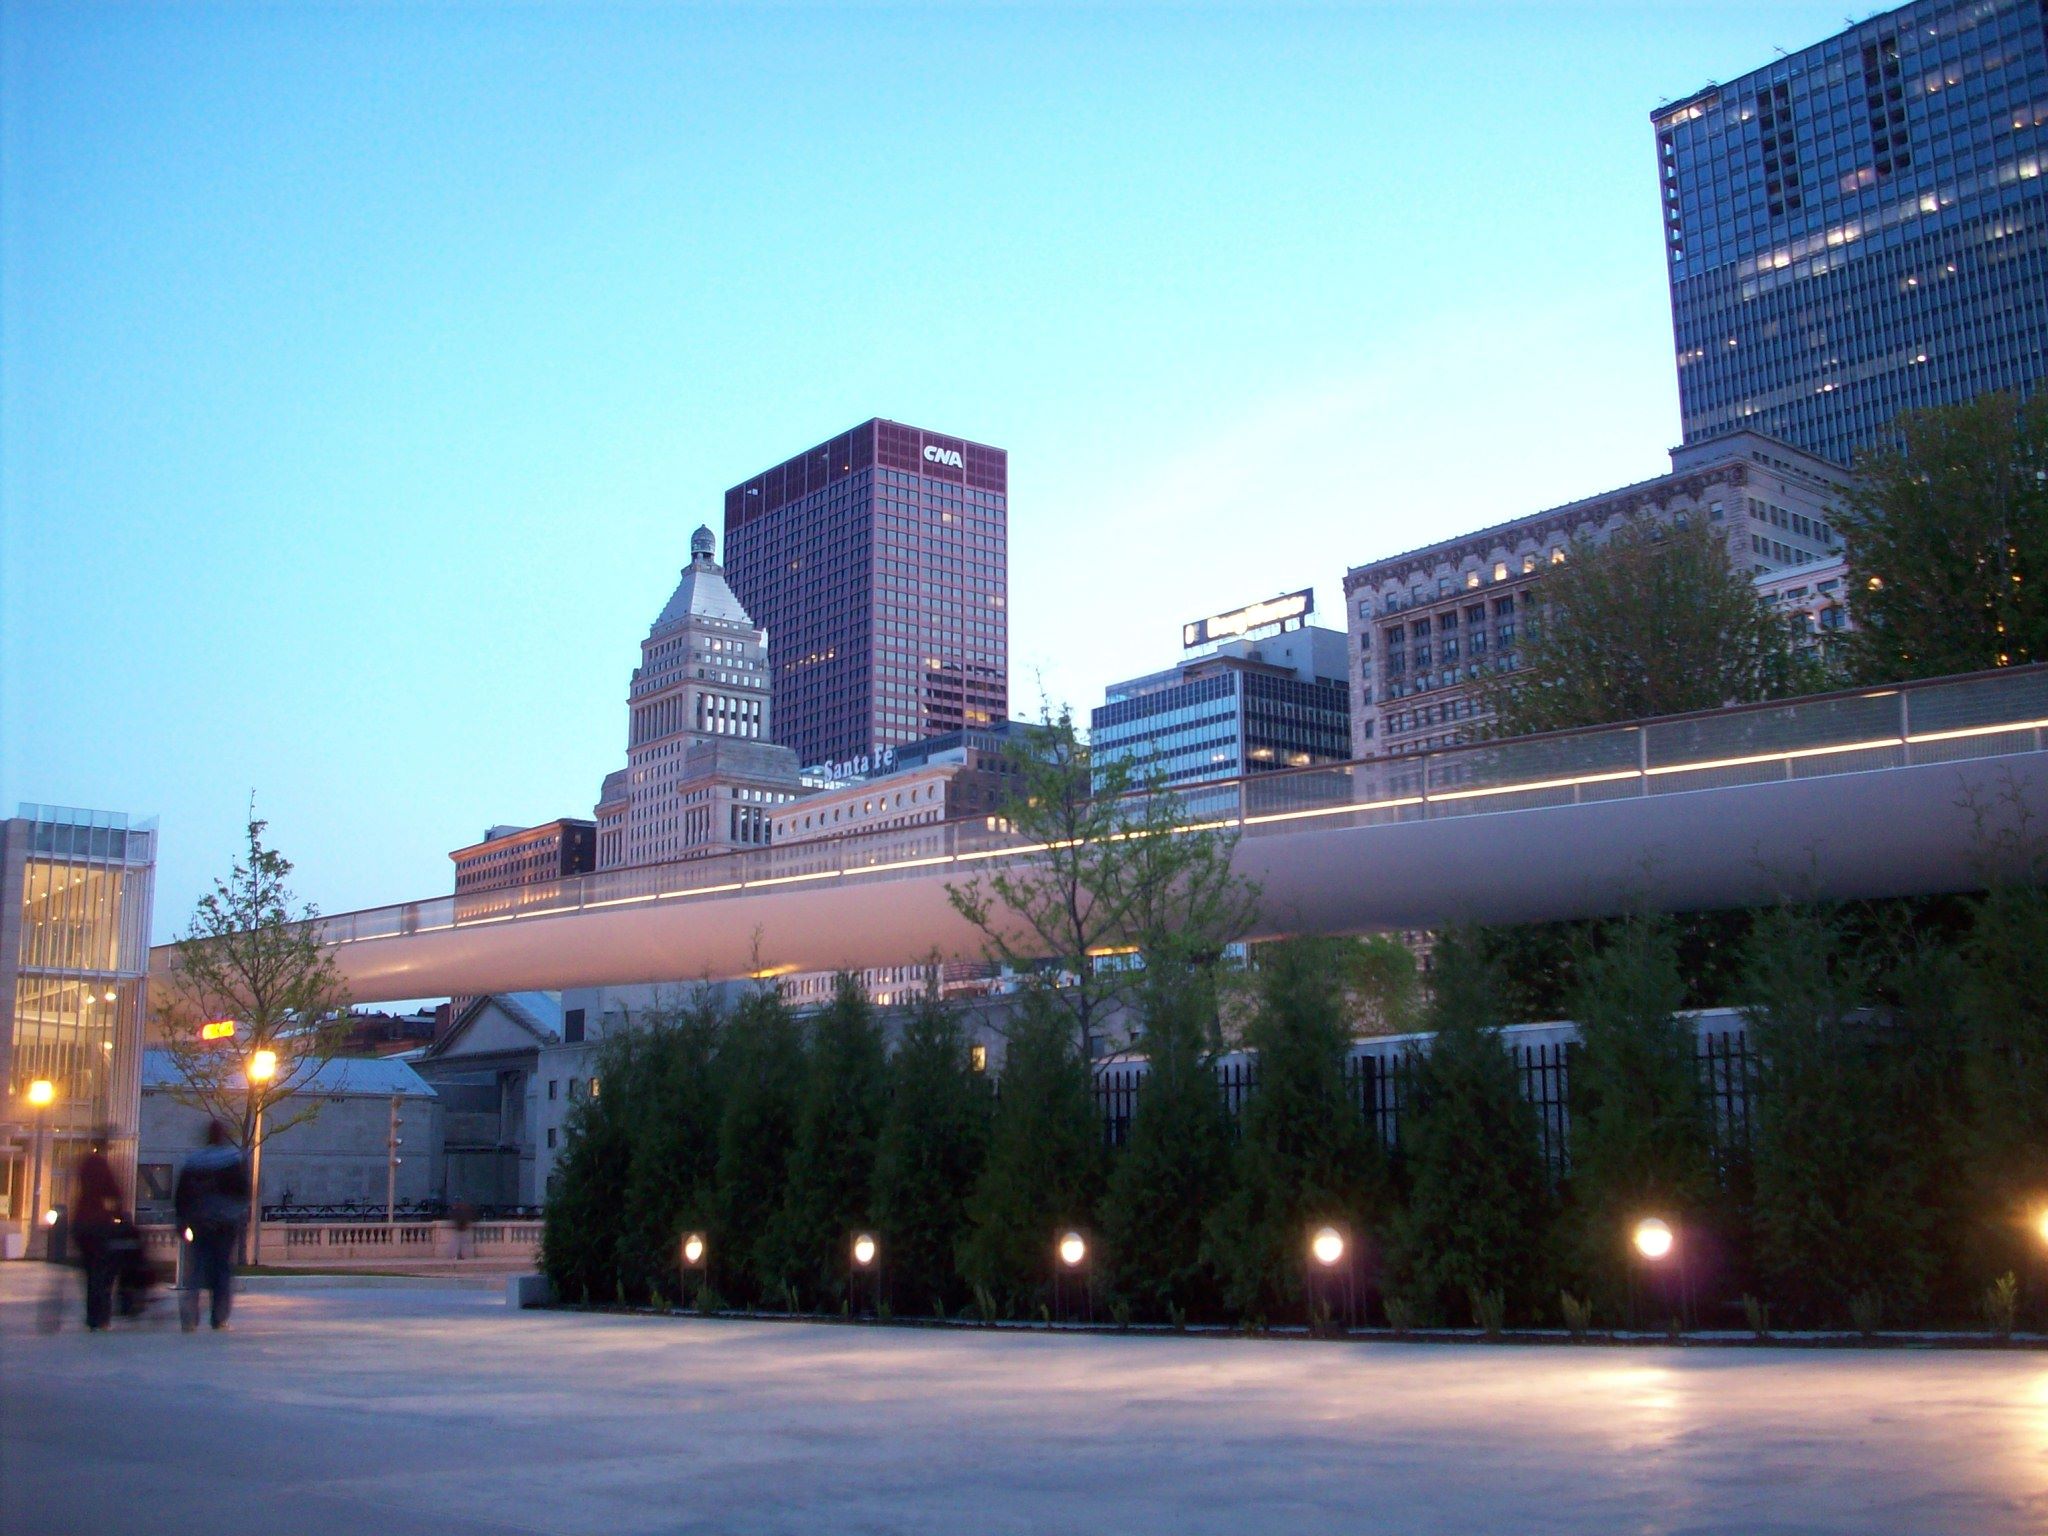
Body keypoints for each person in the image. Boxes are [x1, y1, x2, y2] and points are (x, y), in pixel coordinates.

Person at [173, 1120, 249, 1332]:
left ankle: (189, 1317)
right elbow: (243, 1192)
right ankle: (219, 1317)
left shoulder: (193, 1162)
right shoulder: (233, 1160)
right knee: (222, 1269)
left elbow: (181, 1196)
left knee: (195, 1269)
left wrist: (181, 1221)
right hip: (225, 1222)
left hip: (198, 1221)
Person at [69, 1129, 126, 1331]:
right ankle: (101, 1317)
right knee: (101, 1272)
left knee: (89, 1272)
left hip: (80, 1224)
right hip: (97, 1224)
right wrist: (120, 1213)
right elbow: (114, 1191)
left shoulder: (84, 1164)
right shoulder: (102, 1165)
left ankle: (92, 1316)